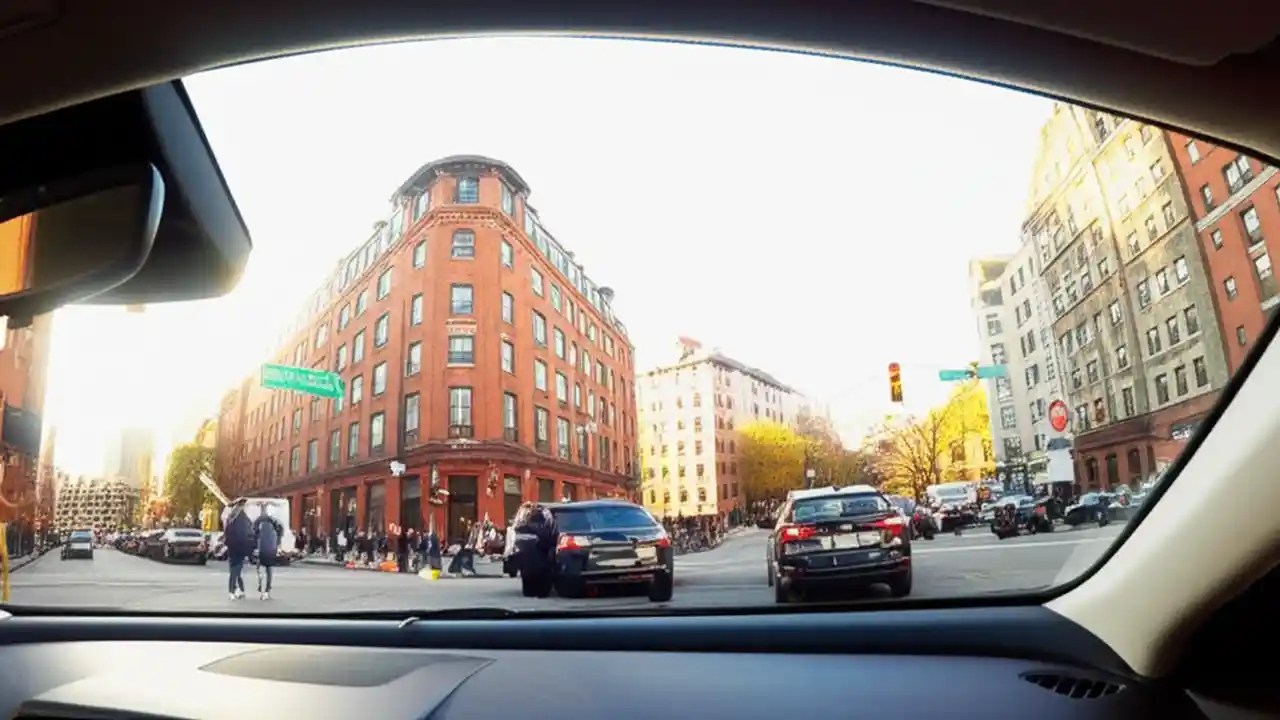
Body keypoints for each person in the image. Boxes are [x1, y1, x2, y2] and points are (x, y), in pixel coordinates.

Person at [222, 498, 254, 600]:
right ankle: (234, 590)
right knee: (236, 570)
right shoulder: (244, 519)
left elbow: (226, 532)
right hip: (240, 546)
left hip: (232, 546)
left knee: (235, 569)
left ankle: (238, 590)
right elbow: (249, 533)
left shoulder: (231, 517)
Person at [253, 502, 283, 600]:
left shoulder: (258, 521)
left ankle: (262, 588)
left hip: (262, 548)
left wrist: (254, 545)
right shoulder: (274, 521)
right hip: (271, 549)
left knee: (260, 569)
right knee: (269, 570)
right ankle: (267, 590)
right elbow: (280, 531)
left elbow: (253, 532)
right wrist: (278, 542)